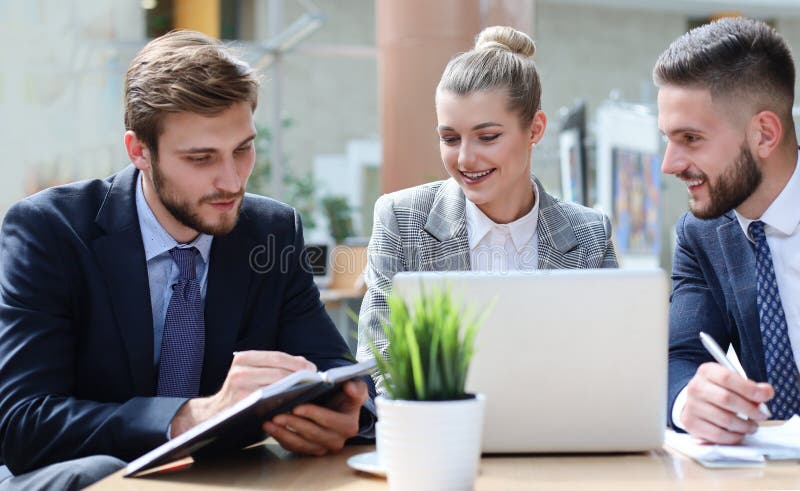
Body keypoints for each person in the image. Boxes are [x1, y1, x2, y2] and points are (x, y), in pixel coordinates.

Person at [0, 30, 374, 489]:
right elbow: (22, 423)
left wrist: (348, 414)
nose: (232, 180)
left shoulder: (271, 231)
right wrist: (188, 417)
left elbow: (334, 373)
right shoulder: (50, 231)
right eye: (201, 159)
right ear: (139, 151)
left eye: (243, 149)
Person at [357, 26, 618, 391]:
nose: (465, 158)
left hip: (557, 438)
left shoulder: (590, 234)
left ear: (535, 129)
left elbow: (611, 363)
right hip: (439, 437)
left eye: (488, 137)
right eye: (449, 138)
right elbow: (377, 364)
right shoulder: (401, 218)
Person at [654, 17, 799, 444]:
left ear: (764, 134)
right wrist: (689, 401)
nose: (670, 164)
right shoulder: (701, 234)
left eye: (691, 138)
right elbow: (678, 357)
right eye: (667, 138)